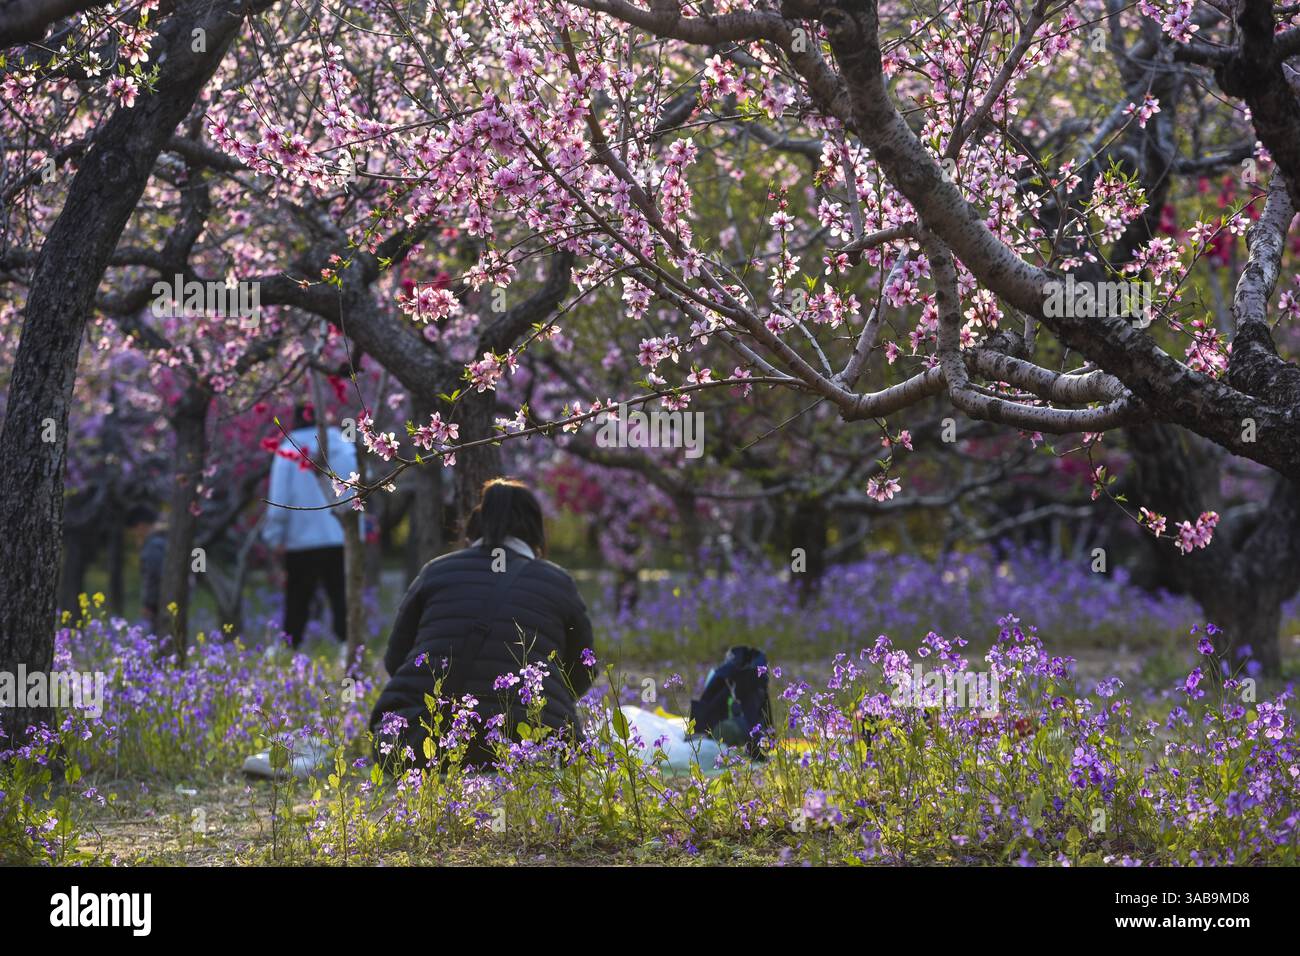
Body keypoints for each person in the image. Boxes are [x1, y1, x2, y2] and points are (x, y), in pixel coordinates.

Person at [370, 478, 596, 771]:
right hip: (533, 747)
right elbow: (583, 670)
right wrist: (539, 705)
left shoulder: (436, 572)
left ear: (477, 521)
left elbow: (396, 659)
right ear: (536, 529)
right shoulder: (557, 581)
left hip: (418, 743)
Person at [263, 402, 357, 649]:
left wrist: (275, 537)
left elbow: (278, 499)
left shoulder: (287, 452)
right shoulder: (344, 448)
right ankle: (348, 648)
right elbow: (354, 491)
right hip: (338, 535)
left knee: (297, 599)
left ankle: (289, 650)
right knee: (340, 596)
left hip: (300, 539)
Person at [127, 505, 167, 634]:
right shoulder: (164, 539)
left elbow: (153, 577)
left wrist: (148, 605)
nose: (135, 536)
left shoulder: (153, 546)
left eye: (134, 531)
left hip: (159, 604)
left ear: (141, 526)